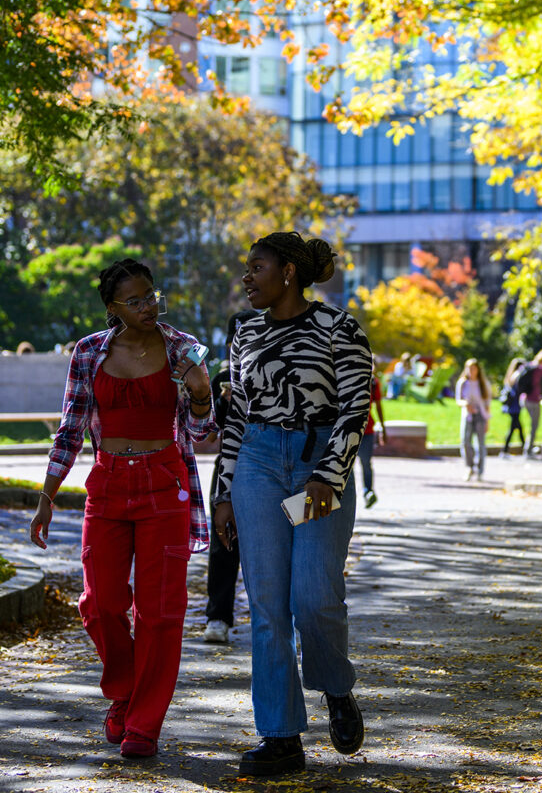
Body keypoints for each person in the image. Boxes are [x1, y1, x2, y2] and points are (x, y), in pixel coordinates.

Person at [29, 258, 215, 760]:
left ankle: (144, 723)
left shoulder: (182, 348)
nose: (148, 306)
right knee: (100, 602)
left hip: (165, 484)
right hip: (108, 483)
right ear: (113, 307)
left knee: (159, 613)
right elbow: (70, 428)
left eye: (152, 295)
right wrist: (47, 496)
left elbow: (201, 432)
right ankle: (124, 689)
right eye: (135, 300)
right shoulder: (89, 352)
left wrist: (200, 394)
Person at [213, 231, 372, 778]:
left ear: (287, 273)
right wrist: (225, 493)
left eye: (255, 267)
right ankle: (280, 736)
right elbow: (236, 416)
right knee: (267, 605)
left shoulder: (338, 328)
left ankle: (335, 686)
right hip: (258, 464)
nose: (246, 276)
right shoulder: (245, 331)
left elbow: (355, 408)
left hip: (315, 470)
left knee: (313, 595)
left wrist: (329, 475)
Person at [203, 310, 256, 645]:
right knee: (224, 545)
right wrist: (220, 403)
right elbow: (209, 431)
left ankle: (279, 618)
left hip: (271, 465)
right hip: (229, 469)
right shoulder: (222, 375)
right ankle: (218, 617)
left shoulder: (275, 370)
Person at [455, 358, 491, 480]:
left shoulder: (483, 383)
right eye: (469, 368)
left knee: (480, 444)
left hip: (481, 415)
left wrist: (487, 421)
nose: (471, 371)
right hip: (468, 415)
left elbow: (487, 403)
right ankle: (469, 467)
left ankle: (480, 471)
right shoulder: (462, 383)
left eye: (473, 368)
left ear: (477, 370)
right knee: (465, 441)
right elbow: (458, 400)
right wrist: (466, 404)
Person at [515, 347, 542, 459]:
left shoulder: (531, 366)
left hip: (525, 399)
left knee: (533, 425)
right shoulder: (540, 369)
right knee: (534, 426)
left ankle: (528, 448)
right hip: (533, 400)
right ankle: (529, 450)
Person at [358, 366, 387, 508]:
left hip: (367, 430)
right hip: (347, 430)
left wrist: (383, 428)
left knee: (366, 463)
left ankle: (368, 491)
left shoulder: (373, 382)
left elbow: (379, 406)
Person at [499, 358, 525, 458]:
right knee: (514, 428)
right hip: (514, 406)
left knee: (517, 428)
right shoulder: (516, 374)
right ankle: (506, 450)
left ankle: (524, 448)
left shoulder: (511, 375)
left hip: (514, 406)